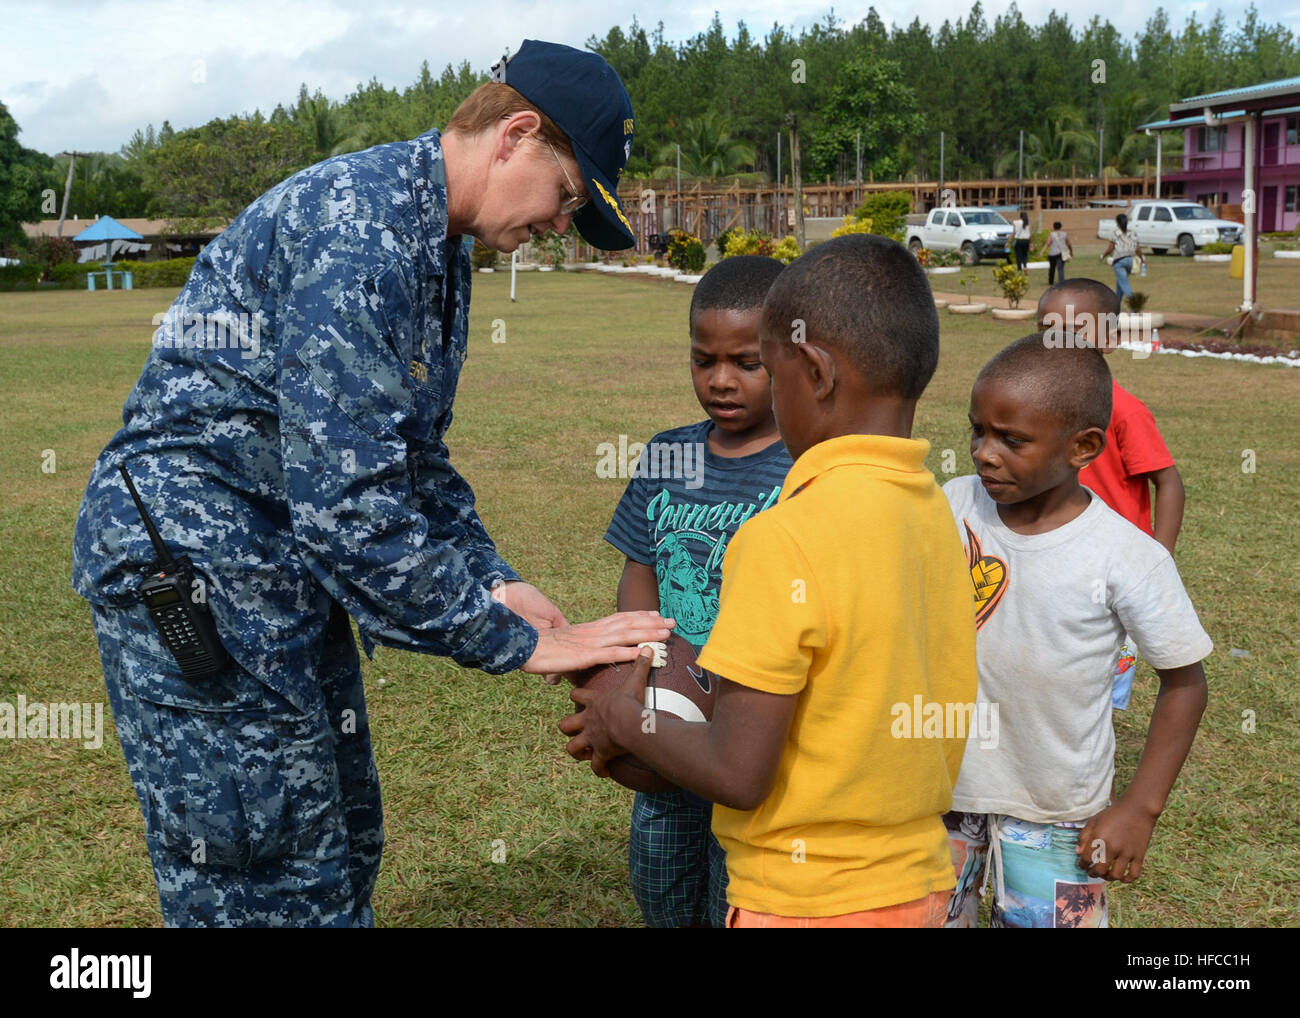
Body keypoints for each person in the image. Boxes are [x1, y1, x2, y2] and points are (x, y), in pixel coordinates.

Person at [69, 40, 674, 928]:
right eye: (568, 197)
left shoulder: (433, 244)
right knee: (263, 870)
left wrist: (497, 582)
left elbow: (414, 457)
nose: (556, 226)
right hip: (195, 570)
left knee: (343, 837)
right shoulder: (360, 233)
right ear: (514, 135)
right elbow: (349, 508)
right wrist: (510, 640)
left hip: (276, 570)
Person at [562, 235, 979, 928]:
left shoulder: (784, 534)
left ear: (812, 371)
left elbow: (738, 774)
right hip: (920, 885)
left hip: (802, 900)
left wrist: (623, 719)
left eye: (768, 371)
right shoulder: (938, 512)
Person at [942, 335, 1210, 928]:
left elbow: (1185, 682)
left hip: (1059, 810)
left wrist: (1140, 807)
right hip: (939, 791)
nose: (985, 453)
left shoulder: (1125, 556)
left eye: (1012, 440)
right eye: (977, 431)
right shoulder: (952, 505)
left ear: (1083, 447)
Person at [604, 254, 792, 928]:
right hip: (670, 710)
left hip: (753, 723)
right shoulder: (666, 455)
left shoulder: (806, 467)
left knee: (731, 885)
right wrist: (639, 660)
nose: (720, 380)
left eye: (747, 362)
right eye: (703, 359)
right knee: (658, 871)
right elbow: (640, 564)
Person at [1037, 279, 1186, 711]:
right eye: (1047, 329)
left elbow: (1169, 481)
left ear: (1109, 339)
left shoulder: (1122, 410)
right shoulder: (1033, 408)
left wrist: (1159, 559)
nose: (1058, 343)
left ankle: (1093, 766)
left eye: (1076, 332)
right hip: (1053, 557)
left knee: (1099, 694)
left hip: (1111, 571)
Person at [1100, 212, 1145, 305]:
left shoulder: (1114, 234)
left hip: (1119, 261)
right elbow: (1138, 249)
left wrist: (1103, 255)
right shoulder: (1133, 233)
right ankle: (1116, 305)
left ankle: (1134, 304)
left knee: (1124, 285)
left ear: (1117, 223)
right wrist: (1142, 259)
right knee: (1120, 283)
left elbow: (1111, 249)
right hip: (1130, 261)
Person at [1039, 220, 1073, 285]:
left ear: (1053, 227)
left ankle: (1051, 282)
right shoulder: (1064, 234)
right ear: (1060, 227)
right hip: (1062, 253)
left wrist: (1042, 252)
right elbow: (1069, 244)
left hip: (1053, 254)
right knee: (1060, 268)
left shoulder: (1051, 234)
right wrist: (1071, 251)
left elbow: (1047, 244)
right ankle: (1061, 282)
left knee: (1052, 268)